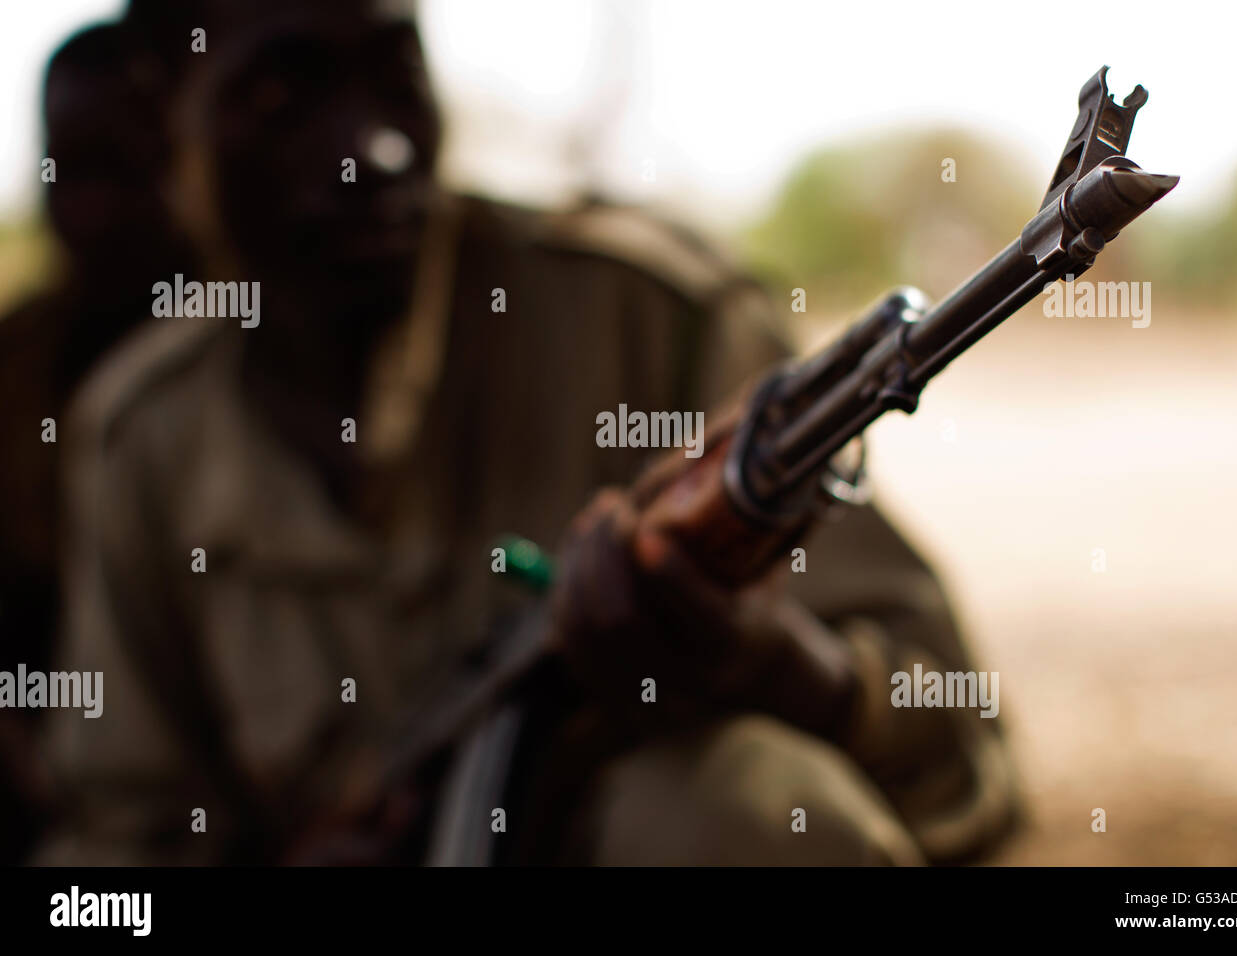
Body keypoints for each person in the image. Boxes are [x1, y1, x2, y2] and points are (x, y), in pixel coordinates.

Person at [38, 0, 1017, 865]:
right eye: (282, 93)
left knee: (740, 806)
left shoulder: (653, 321)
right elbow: (109, 856)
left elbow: (964, 747)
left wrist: (783, 669)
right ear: (170, 126)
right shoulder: (141, 435)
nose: (374, 149)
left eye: (398, 72)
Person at [0, 19, 191, 863]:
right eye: (64, 170)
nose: (89, 208)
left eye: (122, 170)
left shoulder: (247, 366)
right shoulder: (20, 355)